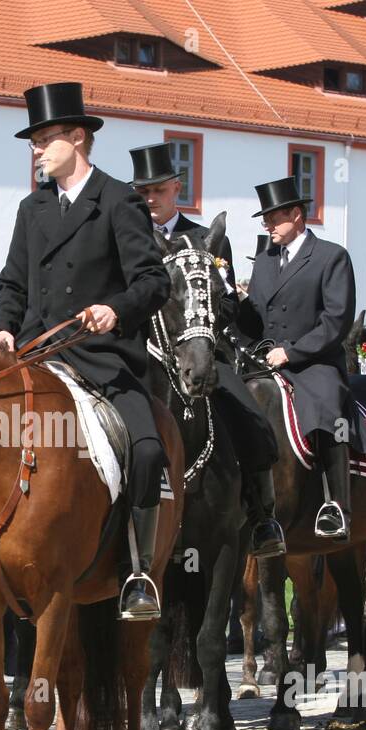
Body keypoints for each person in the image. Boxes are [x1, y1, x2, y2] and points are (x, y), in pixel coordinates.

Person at [0, 82, 171, 620]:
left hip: (103, 358)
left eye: (45, 139)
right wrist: (3, 328)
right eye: (33, 141)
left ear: (77, 138)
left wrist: (115, 308)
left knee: (145, 448)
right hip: (36, 354)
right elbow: (13, 283)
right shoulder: (32, 208)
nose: (36, 150)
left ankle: (138, 571)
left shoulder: (118, 201)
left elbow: (152, 281)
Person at [128, 142, 283, 556]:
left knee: (249, 414)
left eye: (157, 191)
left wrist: (203, 322)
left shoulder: (206, 240)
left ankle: (261, 514)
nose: (149, 200)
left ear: (176, 188)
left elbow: (230, 301)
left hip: (201, 350)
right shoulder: (130, 240)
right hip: (141, 354)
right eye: (142, 193)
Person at [236, 176, 366, 539]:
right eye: (265, 220)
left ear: (297, 215)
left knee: (327, 408)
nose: (268, 226)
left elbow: (336, 320)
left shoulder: (331, 257)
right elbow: (254, 316)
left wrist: (292, 351)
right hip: (265, 360)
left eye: (274, 219)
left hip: (315, 362)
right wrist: (230, 303)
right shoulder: (265, 261)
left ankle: (335, 504)